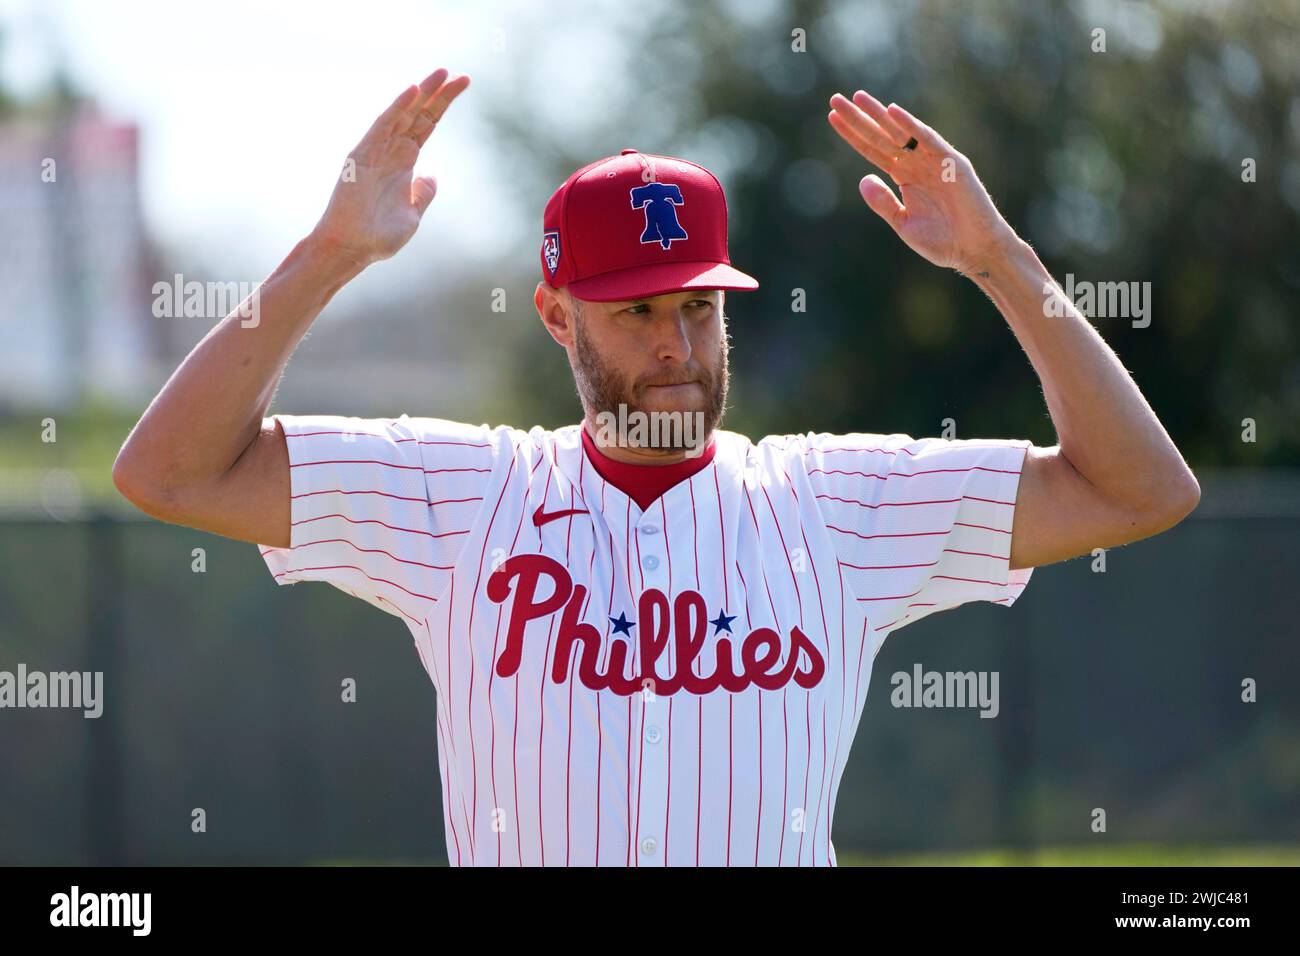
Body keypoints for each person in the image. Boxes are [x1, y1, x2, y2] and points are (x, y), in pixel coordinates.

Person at [113, 68, 1199, 866]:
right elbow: (169, 471)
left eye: (696, 306)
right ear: (555, 316)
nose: (676, 346)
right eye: (635, 312)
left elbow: (1139, 488)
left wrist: (998, 261)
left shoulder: (831, 504)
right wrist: (332, 253)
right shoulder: (465, 494)